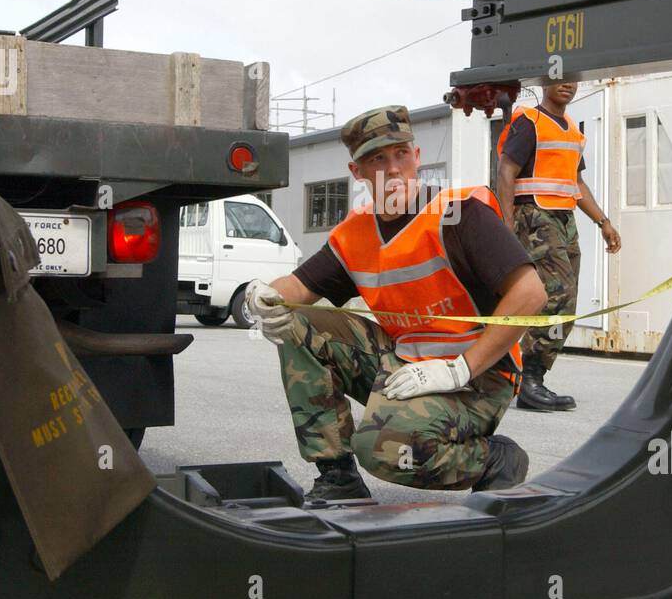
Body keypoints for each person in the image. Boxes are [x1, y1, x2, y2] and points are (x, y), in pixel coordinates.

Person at [245, 105, 547, 502]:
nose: (393, 168)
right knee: (299, 323)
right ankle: (338, 476)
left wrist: (460, 369)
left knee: (382, 449)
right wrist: (265, 295)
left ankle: (492, 459)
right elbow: (299, 288)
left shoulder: (459, 214)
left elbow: (531, 295)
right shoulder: (354, 236)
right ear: (358, 173)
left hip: (477, 377)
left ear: (417, 157)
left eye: (401, 153)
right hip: (405, 364)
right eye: (377, 159)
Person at [494, 82, 620, 411]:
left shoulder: (572, 132)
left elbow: (576, 183)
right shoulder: (529, 122)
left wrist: (603, 222)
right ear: (545, 81)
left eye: (572, 79)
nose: (566, 84)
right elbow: (506, 170)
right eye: (559, 78)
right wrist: (506, 224)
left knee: (568, 300)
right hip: (534, 216)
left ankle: (529, 376)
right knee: (557, 296)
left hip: (564, 220)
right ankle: (529, 379)